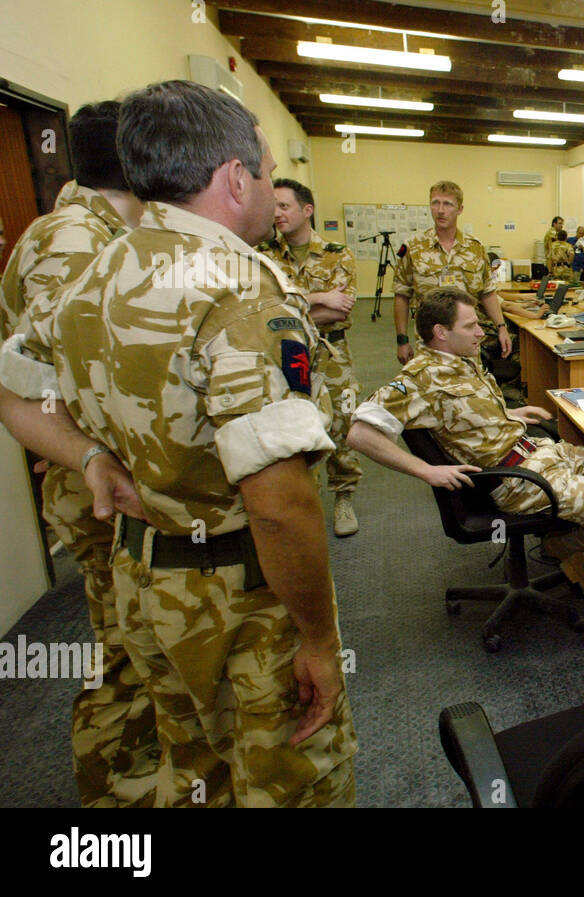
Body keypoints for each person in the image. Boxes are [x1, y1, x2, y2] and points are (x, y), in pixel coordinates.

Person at [22, 80, 357, 806]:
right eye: (267, 172)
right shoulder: (239, 291)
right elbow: (279, 505)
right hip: (240, 601)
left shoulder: (97, 274)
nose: (274, 190)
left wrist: (89, 457)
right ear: (237, 177)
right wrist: (321, 640)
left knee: (196, 775)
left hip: (144, 586)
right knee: (291, 782)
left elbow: (14, 388)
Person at [0, 100, 157, 807]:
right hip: (100, 486)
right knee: (125, 644)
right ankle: (114, 791)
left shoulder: (106, 229)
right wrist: (74, 448)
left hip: (112, 474)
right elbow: (36, 373)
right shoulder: (73, 239)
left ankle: (143, 768)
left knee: (140, 633)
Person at [348, 287, 584, 615]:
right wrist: (426, 471)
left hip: (537, 451)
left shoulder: (462, 358)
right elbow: (360, 433)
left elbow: (463, 415)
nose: (481, 331)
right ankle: (570, 547)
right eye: (470, 326)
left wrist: (508, 415)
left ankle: (583, 543)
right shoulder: (416, 379)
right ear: (441, 332)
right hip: (518, 481)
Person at [261, 178, 364, 538]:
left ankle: (344, 496)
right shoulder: (264, 254)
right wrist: (319, 298)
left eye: (284, 206)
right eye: (272, 206)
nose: (276, 213)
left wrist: (291, 307)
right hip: (283, 355)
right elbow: (261, 311)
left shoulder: (337, 253)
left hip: (330, 353)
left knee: (341, 423)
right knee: (290, 425)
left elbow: (341, 313)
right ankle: (303, 500)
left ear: (307, 210)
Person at [392, 181, 510, 366]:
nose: (440, 210)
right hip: (430, 344)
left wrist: (501, 327)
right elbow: (401, 294)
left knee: (470, 391)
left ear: (460, 209)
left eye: (447, 204)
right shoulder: (413, 247)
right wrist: (402, 340)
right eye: (435, 203)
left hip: (468, 342)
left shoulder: (475, 248)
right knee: (432, 392)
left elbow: (487, 292)